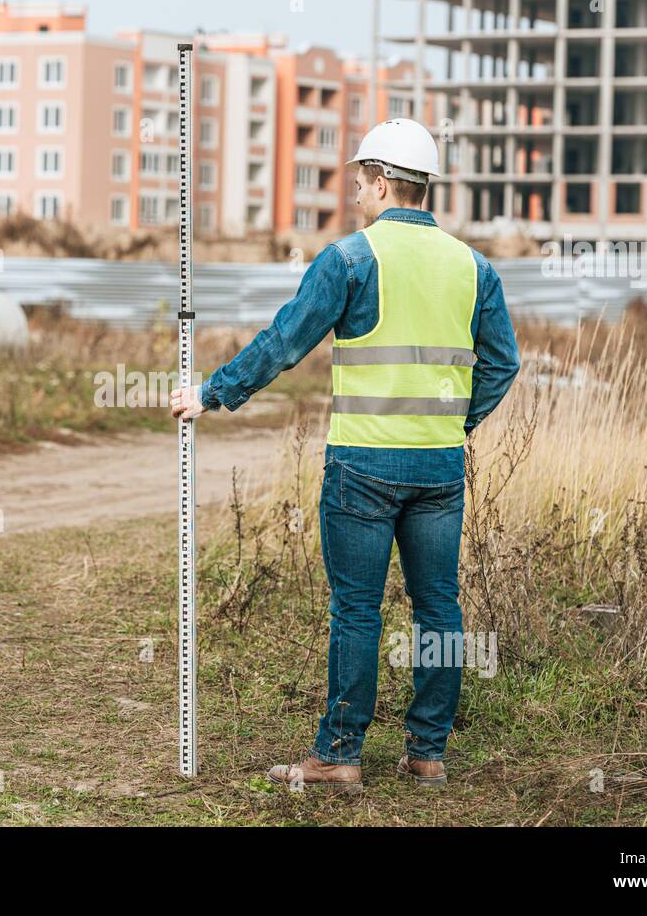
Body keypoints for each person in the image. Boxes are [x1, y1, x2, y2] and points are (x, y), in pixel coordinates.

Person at [170, 118, 520, 788]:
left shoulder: (350, 259)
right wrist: (456, 420)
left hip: (363, 465)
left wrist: (211, 393)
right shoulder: (475, 267)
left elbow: (283, 343)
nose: (357, 194)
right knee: (438, 608)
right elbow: (503, 364)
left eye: (361, 182)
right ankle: (427, 752)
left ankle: (339, 754)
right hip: (440, 466)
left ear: (385, 183)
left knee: (358, 610)